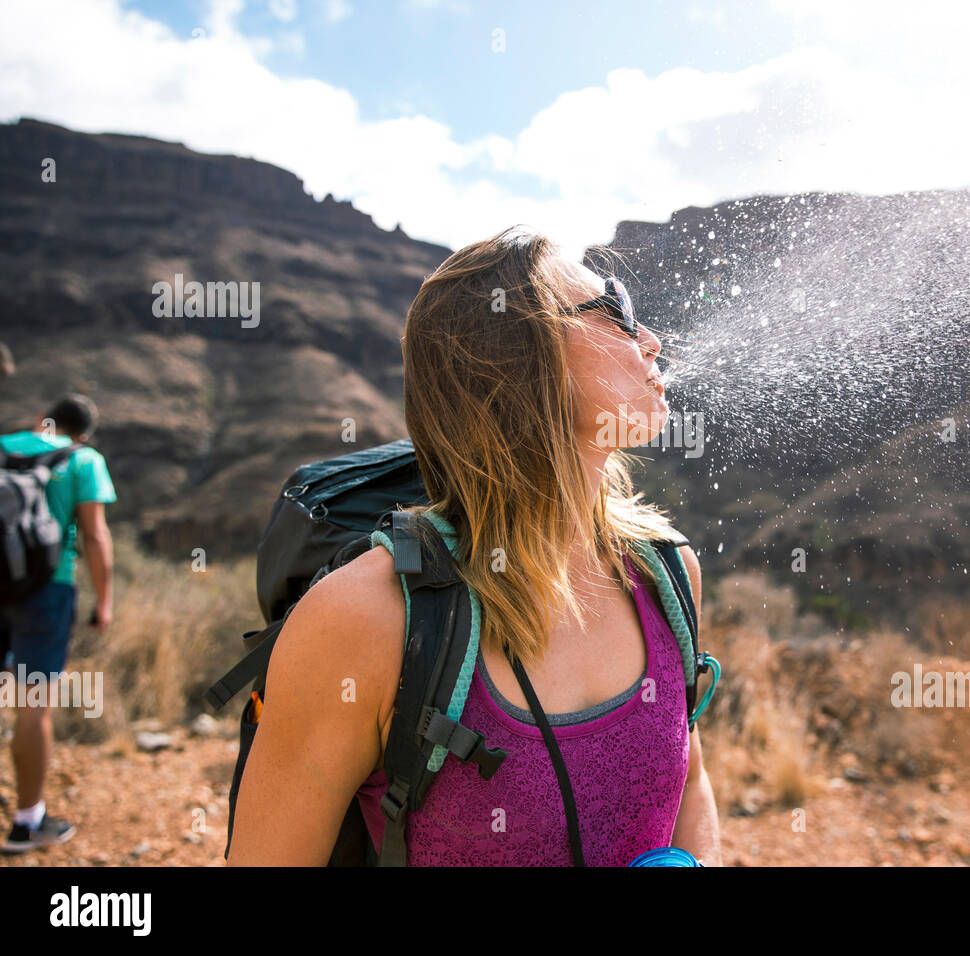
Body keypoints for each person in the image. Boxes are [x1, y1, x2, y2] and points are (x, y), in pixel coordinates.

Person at [229, 226, 721, 866]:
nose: (650, 341)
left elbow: (690, 784)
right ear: (520, 359)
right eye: (617, 311)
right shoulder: (363, 620)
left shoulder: (669, 572)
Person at [1, 393, 116, 853]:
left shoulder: (5, 445)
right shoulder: (85, 459)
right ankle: (27, 822)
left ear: (40, 420)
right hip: (48, 589)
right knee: (32, 703)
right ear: (83, 433)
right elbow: (94, 533)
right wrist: (104, 602)